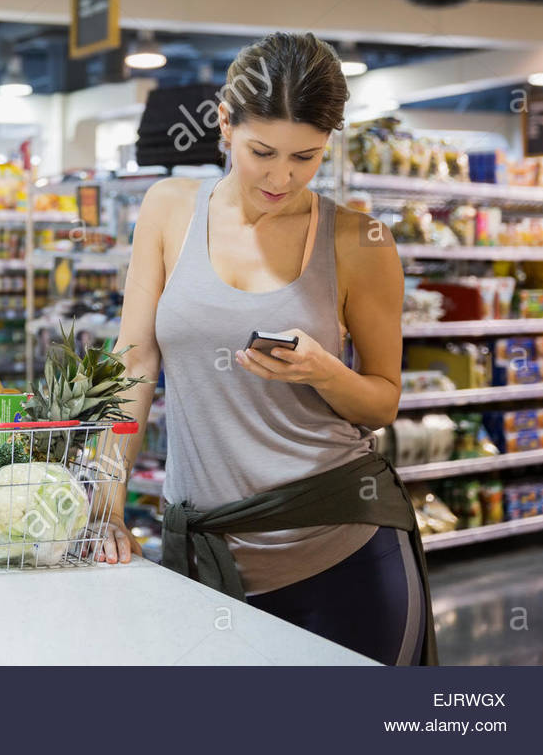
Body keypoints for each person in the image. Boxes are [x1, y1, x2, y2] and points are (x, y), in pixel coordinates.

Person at [97, 32, 435, 665]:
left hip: (341, 547)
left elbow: (381, 403)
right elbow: (134, 364)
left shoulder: (360, 241)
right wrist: (106, 505)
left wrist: (325, 371)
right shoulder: (168, 209)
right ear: (224, 122)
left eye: (305, 157)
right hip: (207, 554)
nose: (281, 177)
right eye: (262, 151)